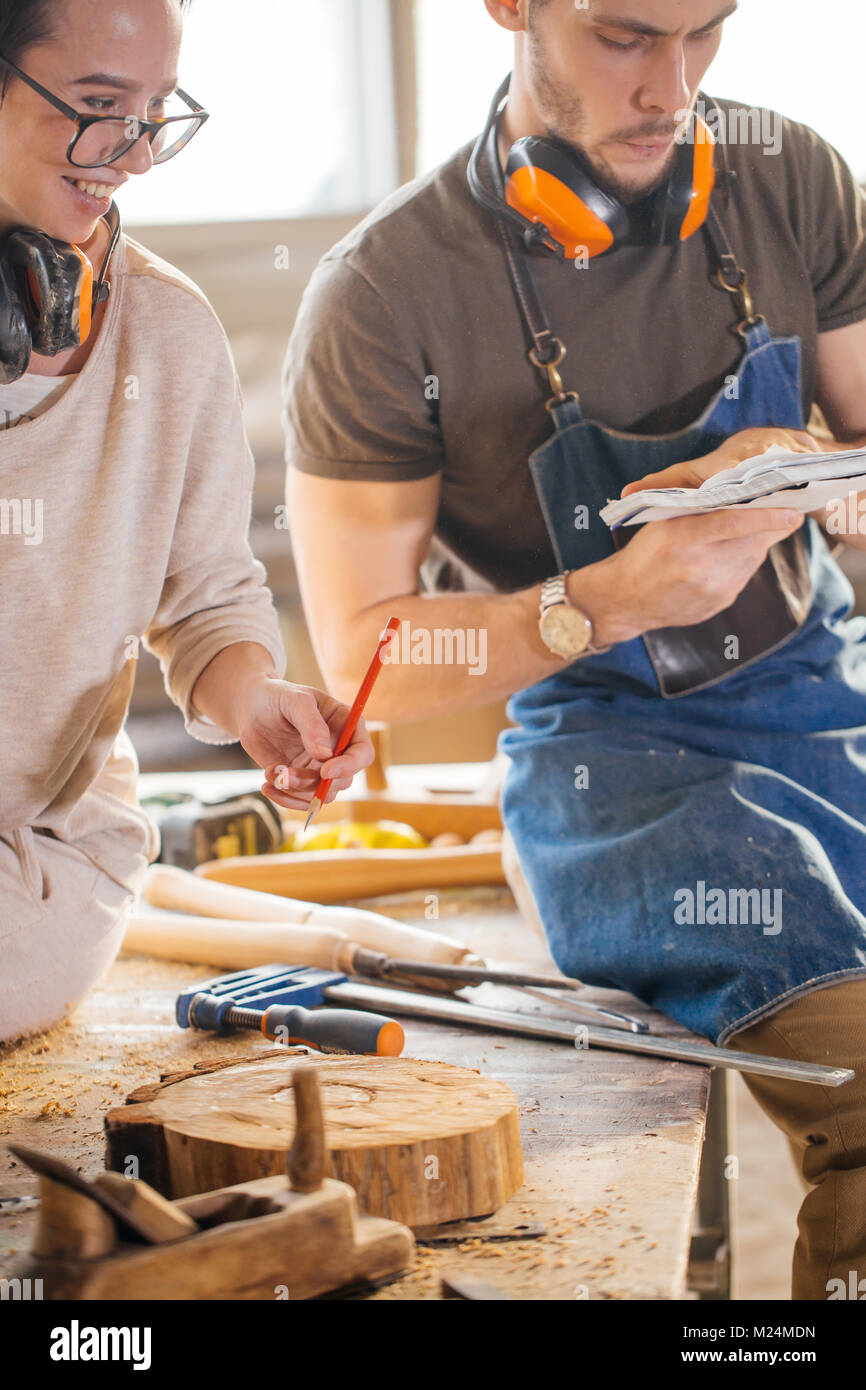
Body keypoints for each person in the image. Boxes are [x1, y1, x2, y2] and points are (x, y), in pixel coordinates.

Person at [282, 0, 866, 1298]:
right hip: (621, 774)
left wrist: (819, 472)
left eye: (705, 32)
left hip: (831, 695)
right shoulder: (388, 292)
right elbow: (359, 655)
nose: (674, 86)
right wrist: (603, 596)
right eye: (624, 36)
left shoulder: (792, 178)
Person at [0, 0, 372, 1044]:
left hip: (43, 855)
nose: (133, 156)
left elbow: (208, 597)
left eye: (156, 111)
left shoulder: (167, 334)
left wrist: (258, 698)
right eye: (96, 106)